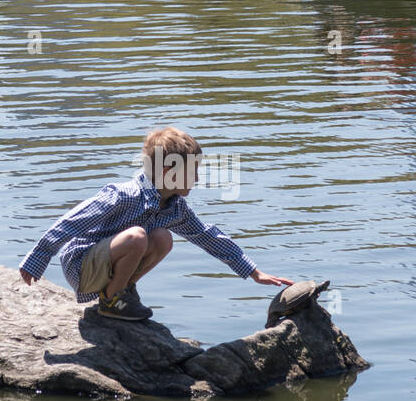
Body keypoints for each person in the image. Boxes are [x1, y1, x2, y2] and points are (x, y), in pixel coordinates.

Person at [19, 126, 293, 320]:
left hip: (106, 266)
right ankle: (111, 301)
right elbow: (70, 223)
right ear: (168, 172)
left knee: (163, 237)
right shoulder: (124, 195)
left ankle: (120, 293)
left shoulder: (175, 208)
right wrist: (38, 257)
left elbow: (208, 237)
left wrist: (253, 272)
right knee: (137, 236)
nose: (197, 179)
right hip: (82, 266)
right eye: (192, 172)